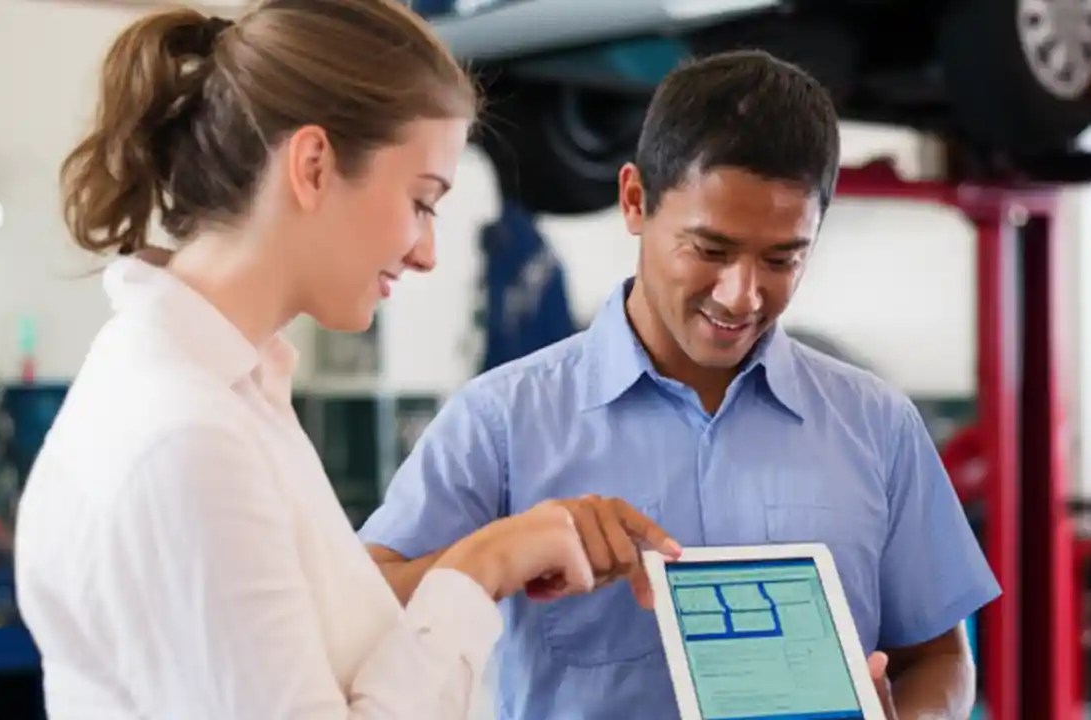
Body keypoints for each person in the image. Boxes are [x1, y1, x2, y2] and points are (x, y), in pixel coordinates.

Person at [12, 3, 680, 718]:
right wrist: (478, 569)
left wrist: (505, 549)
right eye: (422, 202)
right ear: (313, 167)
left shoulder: (229, 392)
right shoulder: (188, 437)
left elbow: (316, 637)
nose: (427, 253)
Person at [361, 49, 1002, 720]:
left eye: (782, 258)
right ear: (635, 200)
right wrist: (501, 552)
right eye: (711, 250)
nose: (741, 294)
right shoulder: (499, 424)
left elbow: (940, 656)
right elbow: (360, 614)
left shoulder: (878, 426)